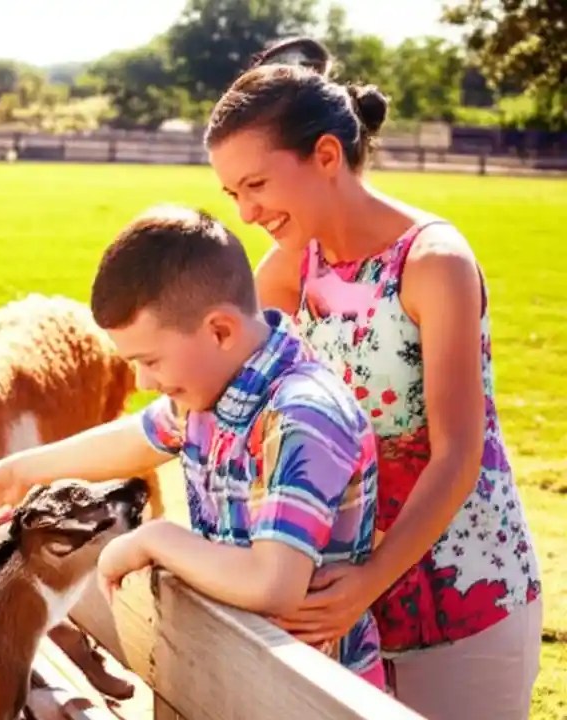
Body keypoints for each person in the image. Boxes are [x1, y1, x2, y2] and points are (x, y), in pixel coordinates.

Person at [204, 36, 543, 718]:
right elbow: (213, 396)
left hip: (464, 600)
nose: (245, 212)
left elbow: (459, 453)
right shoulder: (288, 270)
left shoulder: (433, 261)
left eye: (257, 185)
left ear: (326, 155)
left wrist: (368, 582)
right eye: (232, 193)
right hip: (339, 606)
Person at [0, 206, 386, 689]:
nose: (144, 381)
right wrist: (14, 475)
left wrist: (156, 539)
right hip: (241, 678)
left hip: (315, 695)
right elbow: (134, 438)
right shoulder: (211, 391)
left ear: (220, 330)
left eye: (149, 360)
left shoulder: (303, 416)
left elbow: (272, 584)